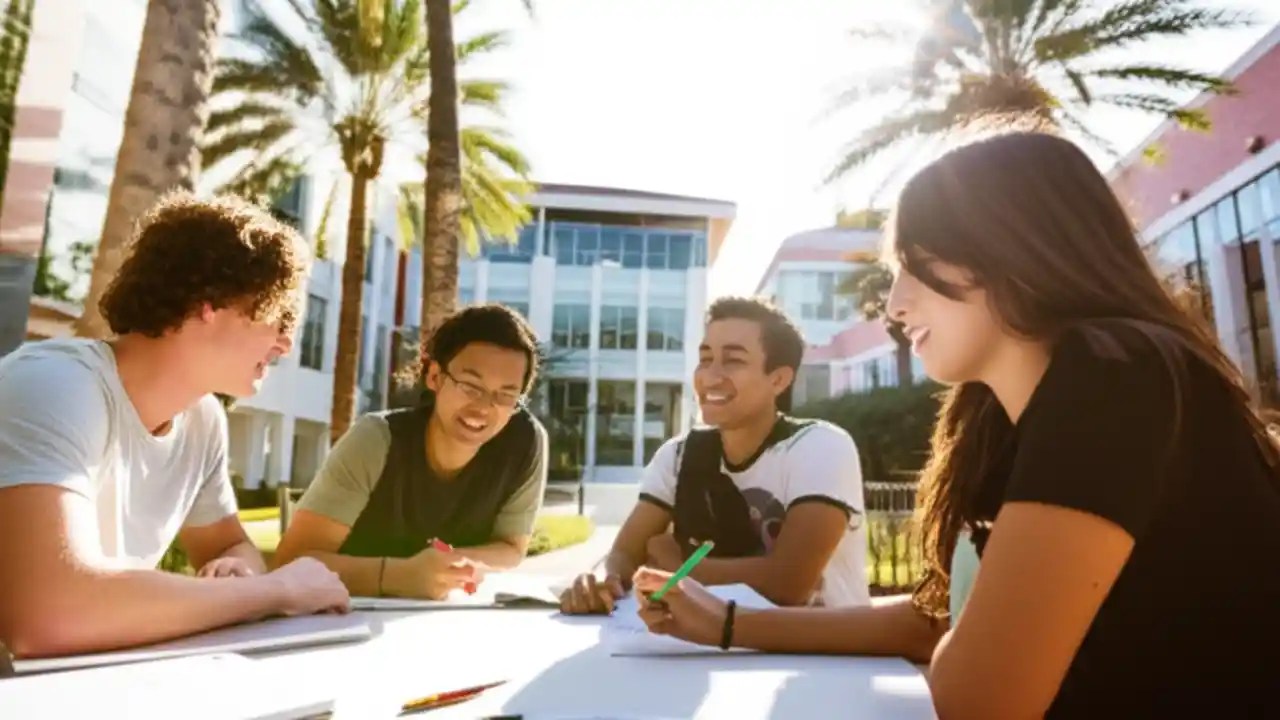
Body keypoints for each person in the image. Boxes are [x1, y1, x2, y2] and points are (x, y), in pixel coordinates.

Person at [630, 127, 1280, 718]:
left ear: (1009, 245)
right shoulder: (1000, 418)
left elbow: (979, 696)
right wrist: (725, 622)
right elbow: (934, 619)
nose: (895, 303)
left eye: (915, 264)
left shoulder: (1114, 371)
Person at [0, 192, 350, 659]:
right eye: (277, 312)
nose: (286, 342)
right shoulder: (55, 385)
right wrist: (277, 590)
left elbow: (230, 547)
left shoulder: (202, 420)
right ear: (210, 302)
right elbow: (49, 616)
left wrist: (235, 575)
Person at [560, 296, 868, 614]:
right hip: (714, 647)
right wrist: (600, 581)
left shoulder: (819, 446)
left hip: (826, 655)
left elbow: (787, 584)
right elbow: (625, 554)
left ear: (778, 379)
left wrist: (677, 567)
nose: (709, 376)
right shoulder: (679, 456)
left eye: (733, 361)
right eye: (705, 359)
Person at [274, 304, 549, 600]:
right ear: (435, 377)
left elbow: (510, 548)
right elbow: (291, 563)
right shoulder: (377, 440)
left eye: (505, 395)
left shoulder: (525, 443)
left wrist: (447, 565)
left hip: (440, 623)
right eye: (470, 386)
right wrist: (399, 576)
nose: (483, 407)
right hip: (343, 618)